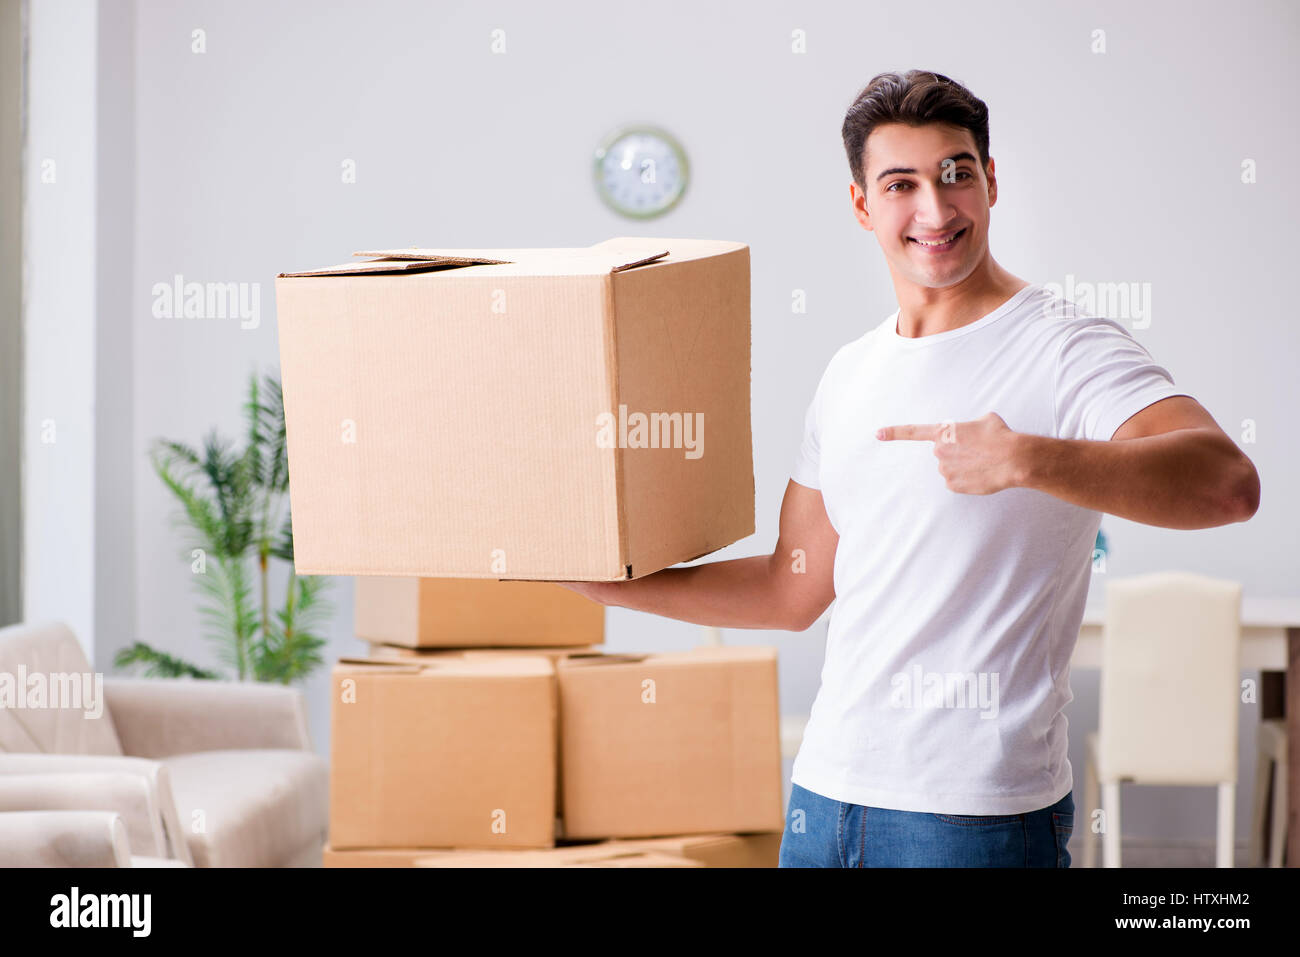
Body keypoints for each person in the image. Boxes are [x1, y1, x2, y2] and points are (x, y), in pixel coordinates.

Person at [558, 69, 1261, 868]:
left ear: (991, 183)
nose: (935, 209)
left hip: (971, 818)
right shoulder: (850, 372)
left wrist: (1027, 458)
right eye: (902, 184)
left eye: (957, 174)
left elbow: (1227, 482)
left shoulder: (1065, 343)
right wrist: (609, 586)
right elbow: (791, 590)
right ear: (862, 204)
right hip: (825, 797)